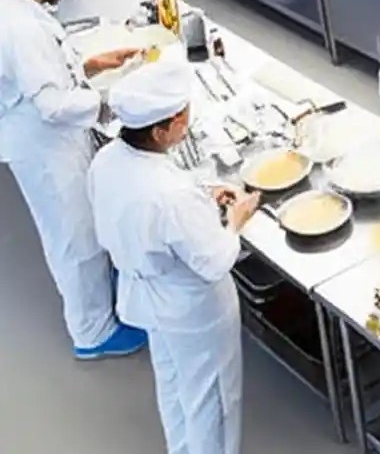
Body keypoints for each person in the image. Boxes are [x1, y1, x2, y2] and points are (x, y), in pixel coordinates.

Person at [88, 58, 259, 454]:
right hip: (192, 310)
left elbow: (142, 207)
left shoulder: (107, 160)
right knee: (212, 400)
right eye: (182, 117)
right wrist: (235, 219)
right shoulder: (171, 196)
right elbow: (215, 260)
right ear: (162, 130)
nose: (187, 122)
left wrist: (202, 195)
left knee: (176, 388)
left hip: (146, 300)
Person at [0, 0, 146, 360]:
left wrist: (91, 64)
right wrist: (106, 103)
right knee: (73, 238)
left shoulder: (17, 8)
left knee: (83, 224)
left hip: (48, 137)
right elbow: (50, 103)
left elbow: (41, 74)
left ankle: (103, 302)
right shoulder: (19, 27)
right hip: (43, 146)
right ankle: (93, 332)